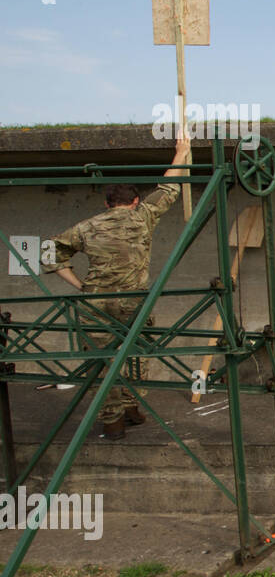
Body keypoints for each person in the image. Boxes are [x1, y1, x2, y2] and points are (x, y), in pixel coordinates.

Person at [43, 134, 190, 440]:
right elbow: (168, 187)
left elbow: (49, 254)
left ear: (106, 203)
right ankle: (132, 406)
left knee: (101, 363)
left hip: (95, 303)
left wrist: (80, 284)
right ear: (135, 201)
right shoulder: (142, 217)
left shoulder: (87, 226)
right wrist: (182, 152)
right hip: (133, 304)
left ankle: (113, 422)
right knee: (136, 357)